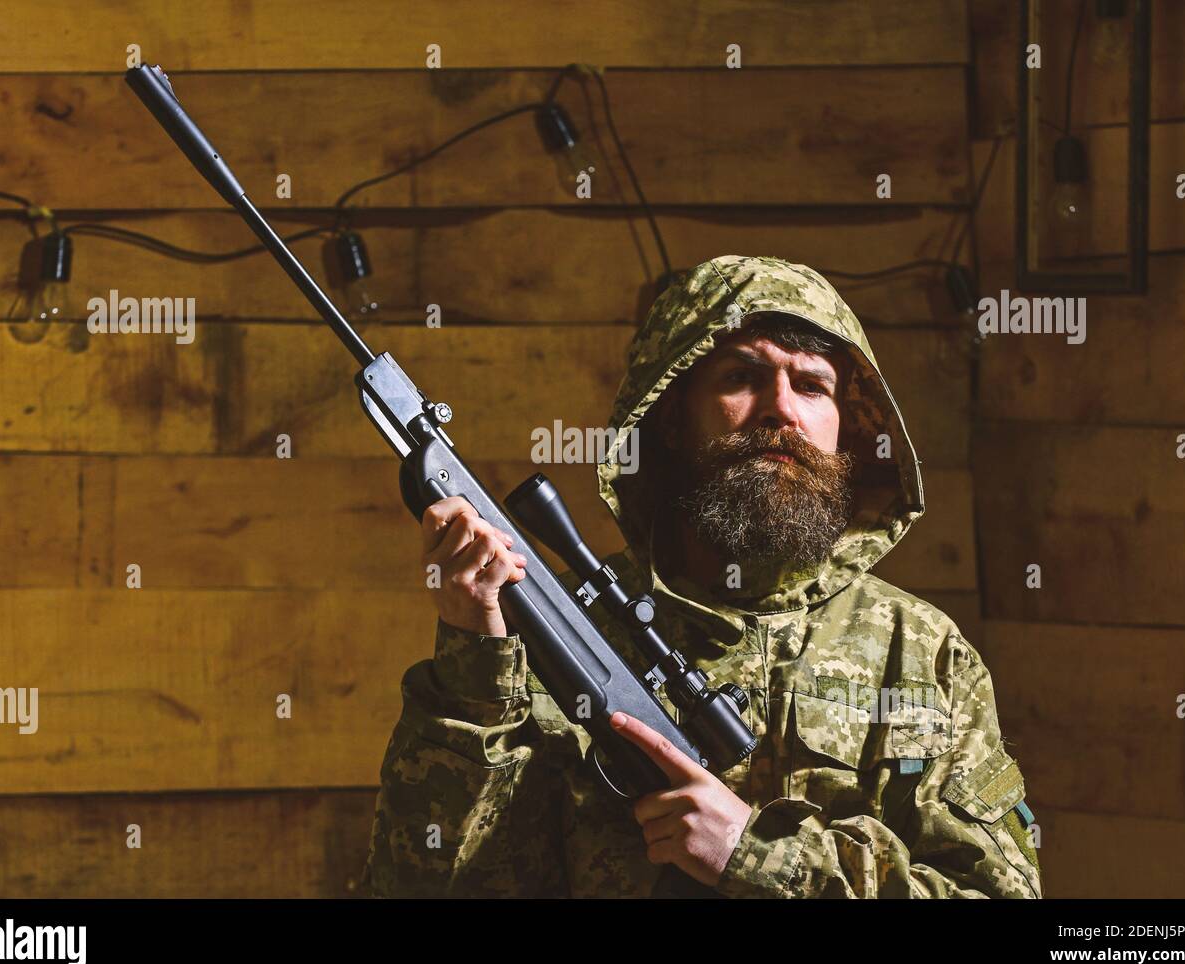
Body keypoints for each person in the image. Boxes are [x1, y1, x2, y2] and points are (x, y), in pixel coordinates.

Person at [363, 255, 1042, 898]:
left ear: (848, 431)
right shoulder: (552, 639)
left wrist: (756, 853)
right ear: (668, 416)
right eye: (742, 376)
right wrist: (473, 668)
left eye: (812, 384)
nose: (782, 407)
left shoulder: (923, 653)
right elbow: (431, 883)